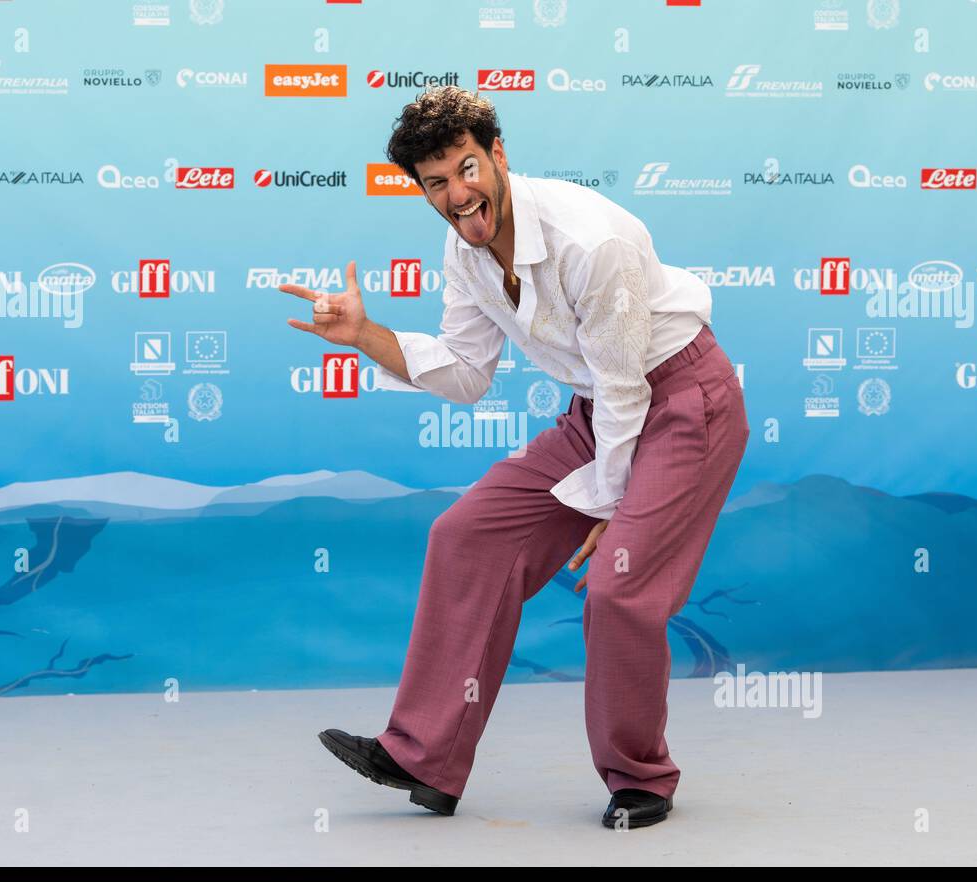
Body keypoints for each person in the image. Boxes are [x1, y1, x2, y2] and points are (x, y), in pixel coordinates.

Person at [281, 86, 749, 829]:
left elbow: (631, 391)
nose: (458, 194)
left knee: (617, 587)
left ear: (497, 156)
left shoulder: (590, 242)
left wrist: (609, 502)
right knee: (465, 536)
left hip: (684, 406)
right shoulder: (463, 246)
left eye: (467, 169)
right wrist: (367, 335)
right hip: (602, 410)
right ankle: (423, 755)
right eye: (436, 183)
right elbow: (468, 374)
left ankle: (641, 777)